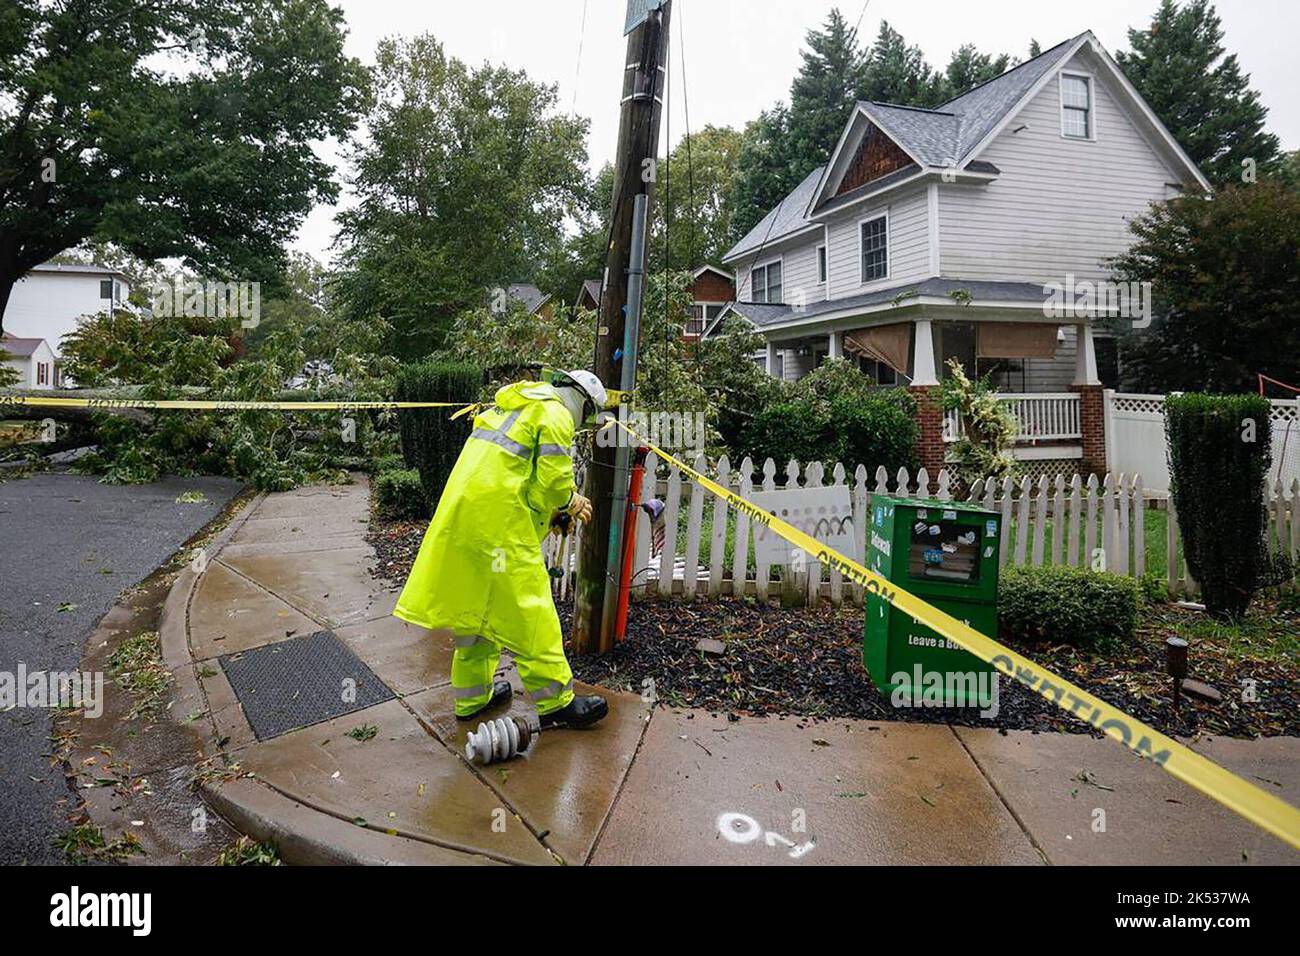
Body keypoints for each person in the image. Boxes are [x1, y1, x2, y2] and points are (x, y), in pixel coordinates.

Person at [393, 370, 609, 730]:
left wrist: (552, 514)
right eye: (586, 417)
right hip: (501, 529)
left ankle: (472, 698)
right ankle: (557, 703)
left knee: (476, 612)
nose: (581, 424)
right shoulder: (554, 414)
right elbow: (553, 486)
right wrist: (570, 504)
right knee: (532, 613)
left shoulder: (505, 408)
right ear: (582, 403)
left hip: (466, 523)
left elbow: (513, 477)